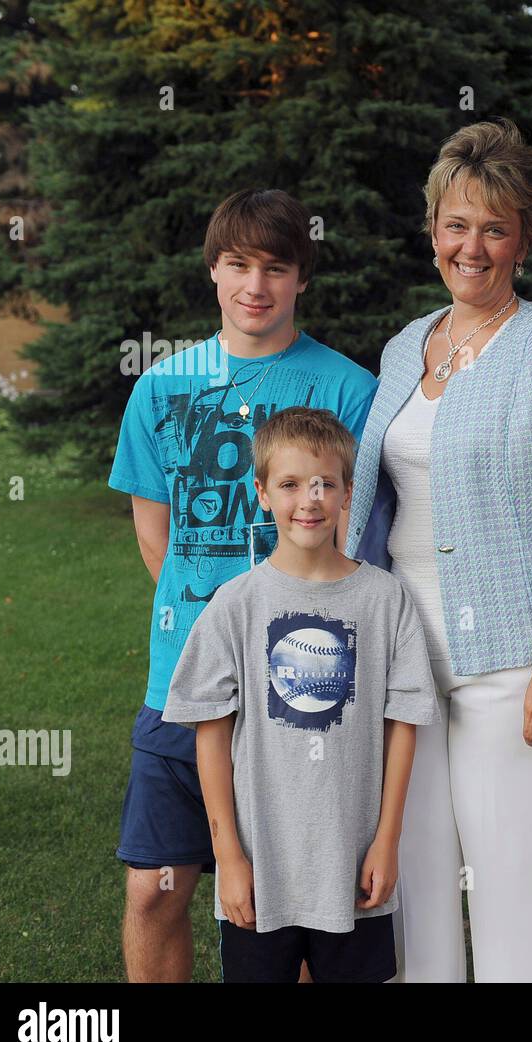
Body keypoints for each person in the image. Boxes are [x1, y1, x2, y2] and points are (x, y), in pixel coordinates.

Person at [343, 119, 532, 983]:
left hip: (522, 659)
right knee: (417, 878)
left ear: (525, 241)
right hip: (405, 658)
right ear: (433, 232)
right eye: (457, 224)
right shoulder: (404, 348)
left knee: (513, 878)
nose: (474, 246)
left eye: (495, 228)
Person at [108, 189, 378, 982]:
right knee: (154, 890)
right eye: (238, 265)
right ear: (214, 271)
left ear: (300, 278)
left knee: (284, 910)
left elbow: (355, 537)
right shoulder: (161, 387)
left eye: (275, 267)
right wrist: (218, 631)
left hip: (298, 682)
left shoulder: (345, 389)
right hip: (181, 679)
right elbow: (155, 534)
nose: (255, 285)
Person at [162, 408, 437, 982]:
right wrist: (229, 857)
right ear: (261, 493)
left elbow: (403, 723)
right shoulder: (235, 605)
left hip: (354, 870)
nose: (308, 500)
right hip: (262, 873)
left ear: (347, 494)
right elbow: (210, 734)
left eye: (324, 484)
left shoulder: (385, 600)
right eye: (289, 485)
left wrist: (387, 843)